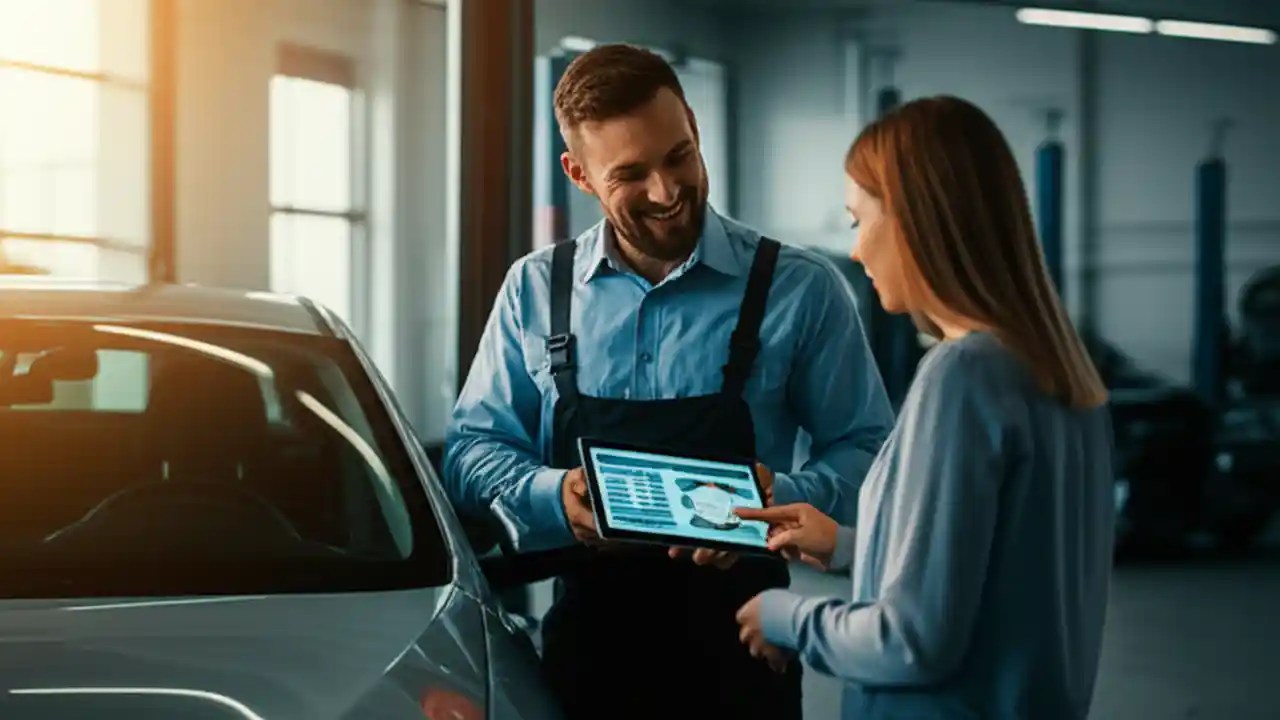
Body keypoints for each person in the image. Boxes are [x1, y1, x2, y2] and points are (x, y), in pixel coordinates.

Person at [443, 43, 894, 719]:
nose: (666, 192)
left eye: (679, 156)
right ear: (579, 174)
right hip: (586, 666)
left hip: (744, 664)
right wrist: (554, 496)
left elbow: (872, 455)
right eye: (630, 174)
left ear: (694, 128)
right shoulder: (535, 291)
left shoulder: (800, 290)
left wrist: (775, 503)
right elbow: (472, 453)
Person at [734, 95, 1116, 720]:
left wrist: (786, 616)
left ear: (913, 221)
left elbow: (913, 641)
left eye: (858, 221)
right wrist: (849, 546)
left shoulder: (963, 375)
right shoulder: (1057, 370)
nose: (857, 251)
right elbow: (1002, 575)